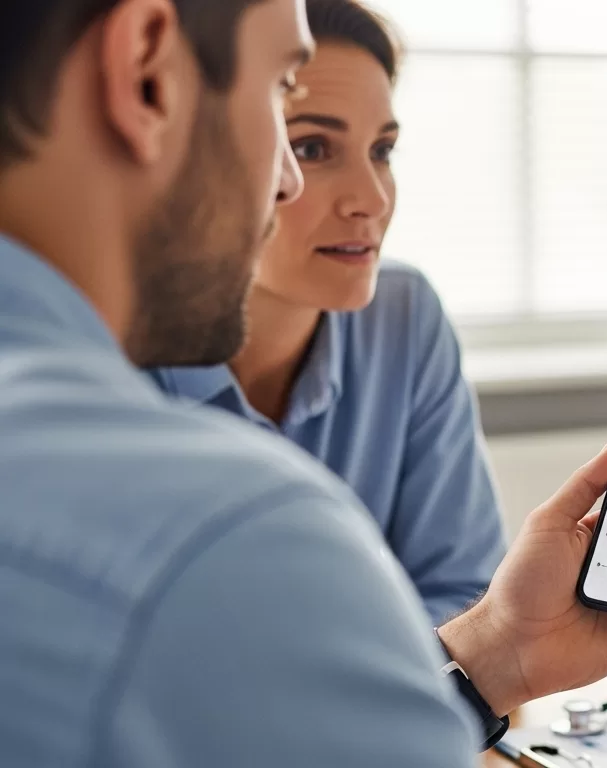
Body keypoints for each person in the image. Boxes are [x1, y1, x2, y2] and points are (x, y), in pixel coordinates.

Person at [0, 1, 607, 766]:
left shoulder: (396, 322)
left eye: (385, 149)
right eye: (284, 105)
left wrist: (496, 651)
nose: (297, 182)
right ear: (146, 70)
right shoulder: (234, 529)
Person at [147, 0, 504, 625]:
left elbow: (471, 599)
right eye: (313, 148)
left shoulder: (404, 317)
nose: (371, 199)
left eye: (383, 150)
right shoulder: (115, 351)